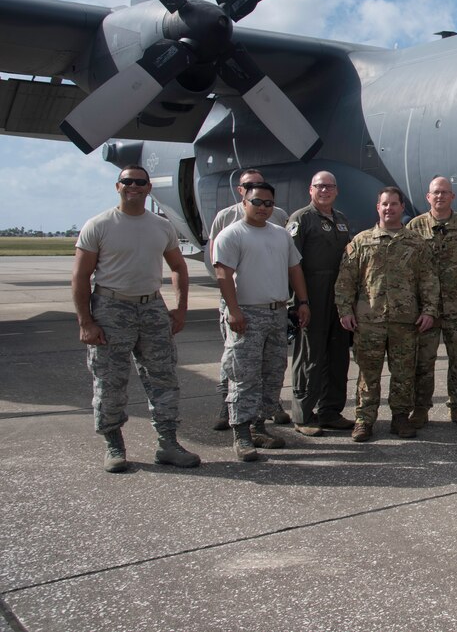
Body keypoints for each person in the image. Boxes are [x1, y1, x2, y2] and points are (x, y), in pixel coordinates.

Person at [71, 165, 201, 472]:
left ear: (148, 188)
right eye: (128, 181)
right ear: (118, 186)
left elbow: (179, 268)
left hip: (152, 307)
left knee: (164, 378)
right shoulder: (99, 225)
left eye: (140, 182)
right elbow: (80, 276)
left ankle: (168, 444)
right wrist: (86, 322)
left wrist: (180, 308)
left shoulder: (161, 226)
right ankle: (114, 444)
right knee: (110, 381)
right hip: (110, 307)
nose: (134, 186)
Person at [213, 183, 310, 462]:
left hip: (277, 313)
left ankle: (258, 426)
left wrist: (302, 303)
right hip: (247, 313)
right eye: (257, 202)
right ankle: (241, 434)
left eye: (268, 203)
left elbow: (294, 269)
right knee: (244, 376)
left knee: (272, 373)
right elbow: (223, 275)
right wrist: (233, 311)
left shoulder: (280, 235)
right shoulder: (231, 235)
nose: (263, 208)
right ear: (244, 202)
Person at [335, 187, 438, 442]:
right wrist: (345, 310)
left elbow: (428, 280)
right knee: (368, 373)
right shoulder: (361, 241)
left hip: (405, 320)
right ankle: (364, 420)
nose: (389, 208)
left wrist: (429, 310)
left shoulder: (416, 243)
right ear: (377, 207)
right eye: (384, 204)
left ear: (402, 207)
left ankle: (401, 417)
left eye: (394, 204)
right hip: (369, 321)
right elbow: (346, 280)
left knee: (403, 372)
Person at [208, 168, 290, 432]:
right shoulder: (226, 221)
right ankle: (229, 408)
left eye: (266, 197)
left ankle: (262, 415)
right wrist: (232, 307)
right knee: (237, 363)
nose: (262, 205)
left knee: (271, 365)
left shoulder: (279, 220)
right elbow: (218, 264)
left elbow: (288, 260)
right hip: (239, 304)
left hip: (272, 308)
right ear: (241, 192)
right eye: (250, 187)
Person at [407, 177, 457, 428]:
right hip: (426, 309)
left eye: (445, 192)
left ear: (452, 196)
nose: (440, 196)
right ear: (428, 197)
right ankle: (420, 409)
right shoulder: (415, 227)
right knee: (424, 361)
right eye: (435, 193)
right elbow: (407, 265)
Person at [288, 171, 354, 436]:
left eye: (329, 186)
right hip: (311, 294)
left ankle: (330, 411)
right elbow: (293, 264)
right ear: (310, 190)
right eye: (320, 186)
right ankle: (303, 415)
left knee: (338, 356)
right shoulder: (301, 219)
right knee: (309, 356)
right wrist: (301, 301)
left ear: (336, 191)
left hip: (338, 297)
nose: (325, 190)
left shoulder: (342, 220)